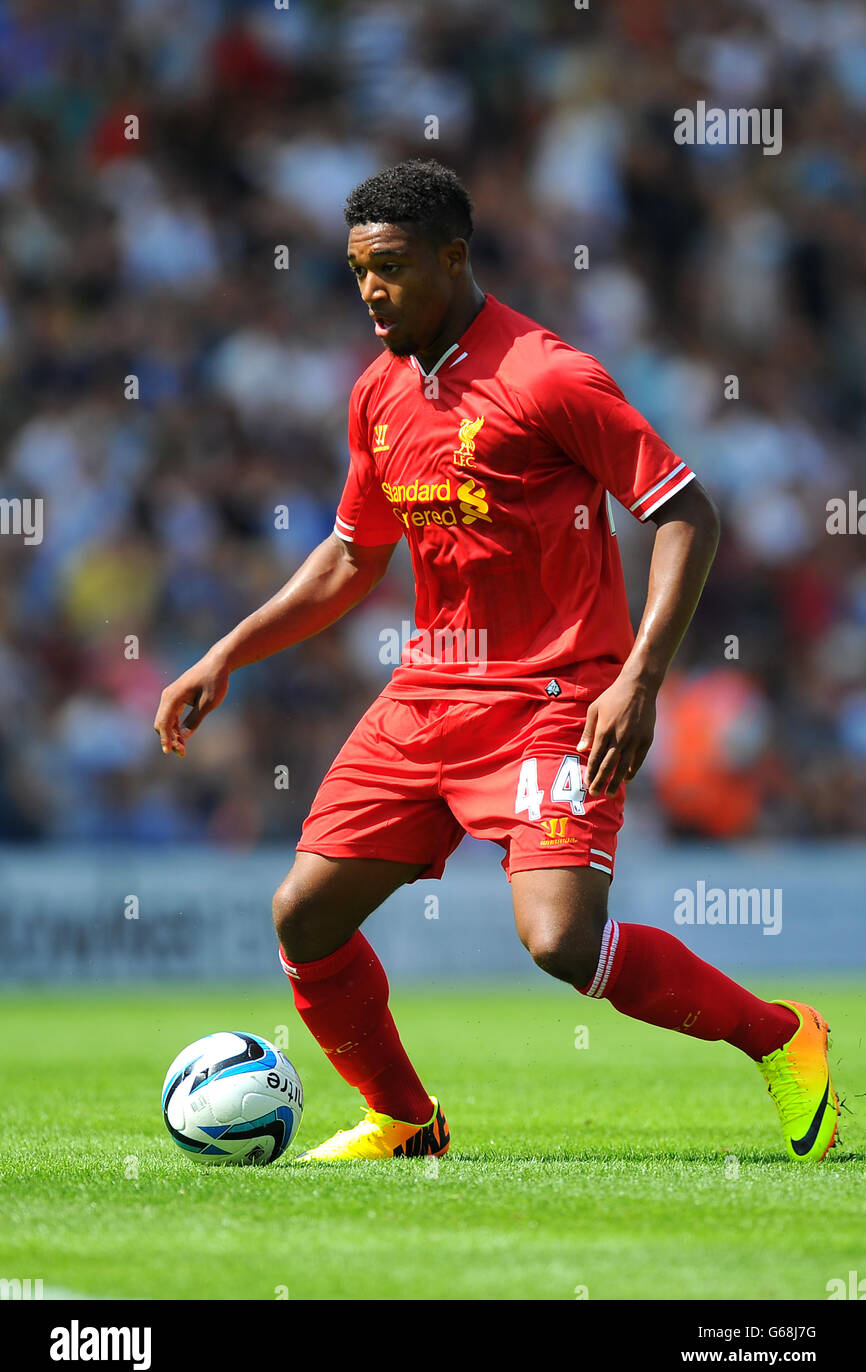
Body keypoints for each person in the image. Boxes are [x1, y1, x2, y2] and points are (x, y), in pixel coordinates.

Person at [154, 159, 838, 1164]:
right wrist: (227, 651)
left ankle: (781, 1034)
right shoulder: (378, 395)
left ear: (452, 256)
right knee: (304, 914)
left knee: (559, 941)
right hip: (429, 694)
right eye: (355, 272)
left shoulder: (548, 376)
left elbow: (685, 510)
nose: (369, 291)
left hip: (558, 698)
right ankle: (404, 1118)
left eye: (387, 267)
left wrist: (634, 680)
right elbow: (351, 556)